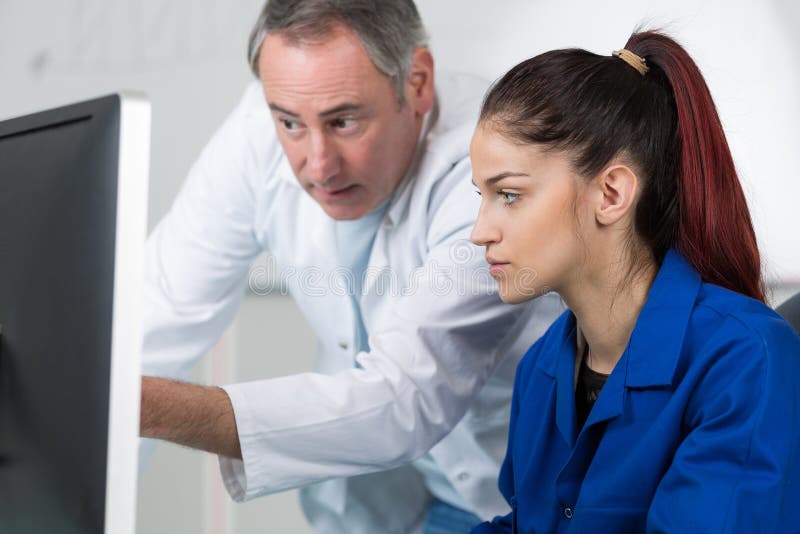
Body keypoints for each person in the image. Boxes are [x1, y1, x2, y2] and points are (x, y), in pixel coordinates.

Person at [138, 1, 562, 532]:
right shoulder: (261, 126)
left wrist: (149, 407)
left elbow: (406, 396)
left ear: (418, 82)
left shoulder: (491, 168)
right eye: (290, 123)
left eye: (344, 120)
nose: (318, 165)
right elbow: (153, 323)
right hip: (392, 498)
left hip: (514, 497)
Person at [468, 30, 800, 533]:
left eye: (509, 195)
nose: (479, 232)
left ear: (611, 193)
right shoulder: (540, 370)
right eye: (481, 196)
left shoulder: (743, 360)